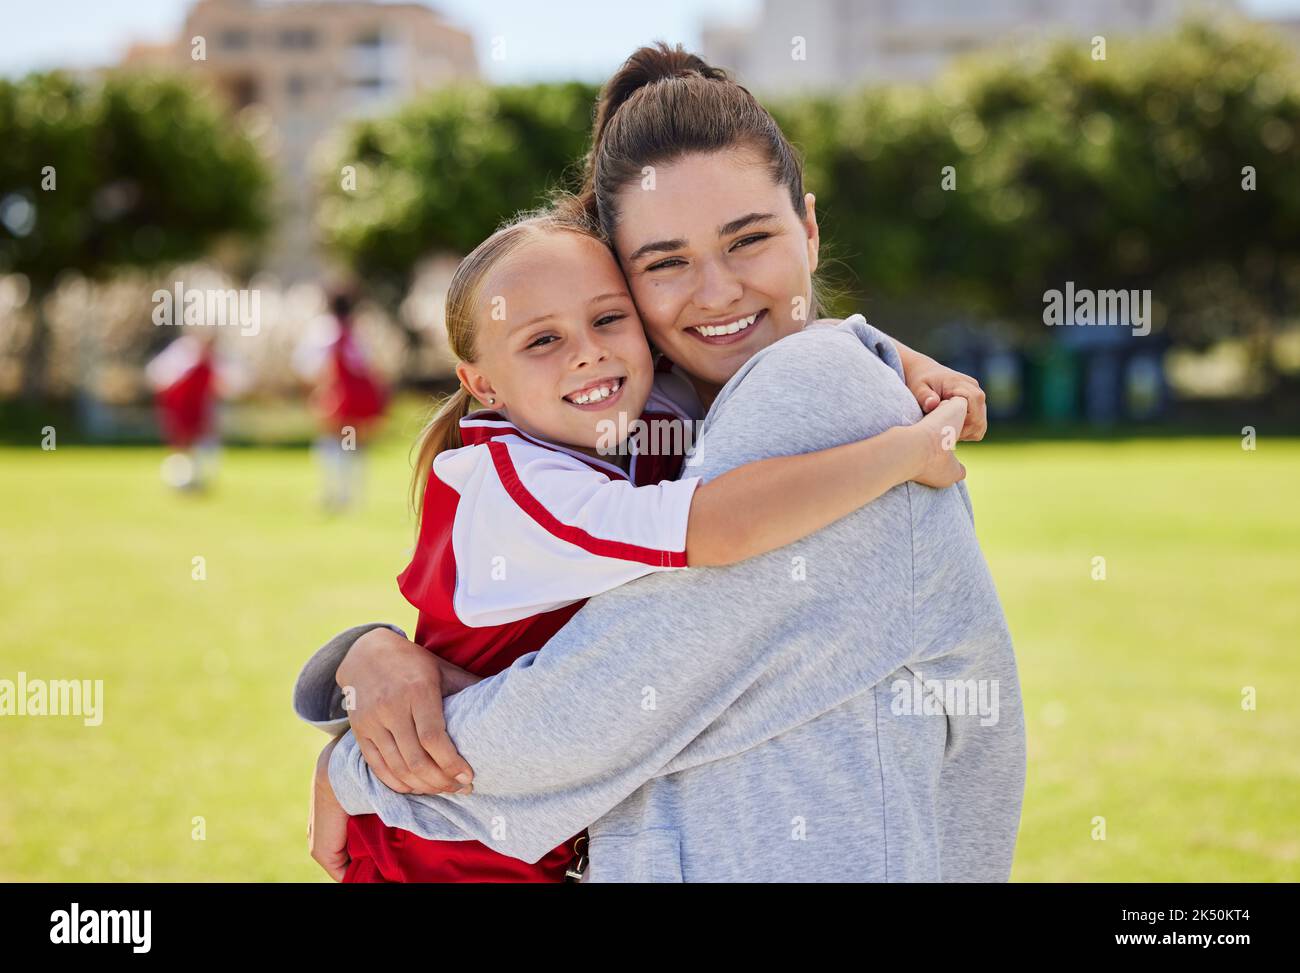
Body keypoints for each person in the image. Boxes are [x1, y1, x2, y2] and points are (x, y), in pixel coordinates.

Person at [298, 44, 1023, 882]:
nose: (714, 292)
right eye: (665, 262)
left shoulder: (816, 394)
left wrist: (353, 770)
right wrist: (377, 651)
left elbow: (590, 714)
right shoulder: (660, 421)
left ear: (811, 230)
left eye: (749, 240)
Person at [293, 291, 389, 512]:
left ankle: (332, 493)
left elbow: (307, 365)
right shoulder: (358, 330)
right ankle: (352, 495)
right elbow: (372, 364)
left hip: (336, 394)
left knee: (330, 440)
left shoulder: (323, 330)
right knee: (354, 443)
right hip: (361, 396)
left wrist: (317, 390)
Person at [146, 331, 222, 491]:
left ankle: (195, 477)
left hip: (198, 409)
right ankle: (180, 477)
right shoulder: (182, 355)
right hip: (179, 407)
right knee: (181, 443)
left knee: (198, 443)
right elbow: (158, 377)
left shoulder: (211, 362)